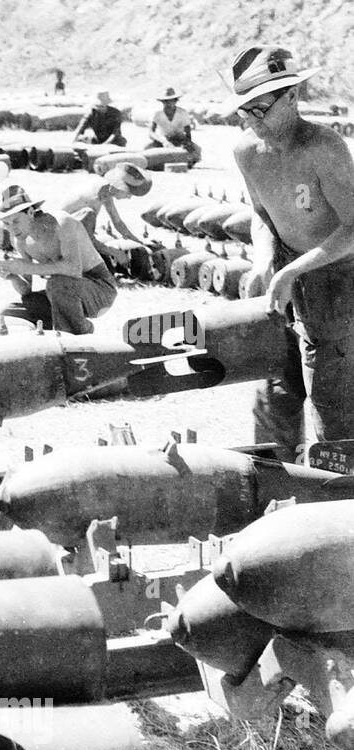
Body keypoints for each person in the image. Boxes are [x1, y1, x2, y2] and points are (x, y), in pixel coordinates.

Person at [228, 45, 354, 455]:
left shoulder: (324, 148)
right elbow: (260, 212)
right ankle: (277, 492)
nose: (251, 121)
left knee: (331, 397)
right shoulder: (246, 150)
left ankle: (338, 496)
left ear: (292, 97)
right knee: (273, 392)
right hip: (286, 270)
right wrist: (265, 258)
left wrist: (292, 271)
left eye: (260, 109)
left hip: (338, 277)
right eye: (244, 111)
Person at [0, 184, 118, 334]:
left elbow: (74, 269)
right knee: (13, 312)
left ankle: (80, 334)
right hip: (65, 293)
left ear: (31, 212)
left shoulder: (62, 222)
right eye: (6, 224)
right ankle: (50, 336)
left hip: (100, 291)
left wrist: (26, 268)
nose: (12, 229)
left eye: (16, 221)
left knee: (57, 284)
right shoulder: (20, 241)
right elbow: (26, 290)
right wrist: (12, 276)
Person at [55, 163, 152, 245]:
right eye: (129, 193)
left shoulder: (105, 190)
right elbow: (87, 240)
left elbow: (117, 222)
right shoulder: (92, 199)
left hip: (72, 230)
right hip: (61, 236)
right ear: (119, 187)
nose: (129, 197)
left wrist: (138, 242)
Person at [146, 86, 202, 165]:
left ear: (175, 101)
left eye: (170, 101)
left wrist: (186, 143)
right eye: (165, 101)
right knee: (146, 153)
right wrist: (164, 141)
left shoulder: (182, 113)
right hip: (163, 140)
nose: (168, 104)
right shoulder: (157, 114)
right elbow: (151, 132)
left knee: (195, 152)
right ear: (162, 102)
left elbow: (188, 132)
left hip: (180, 139)